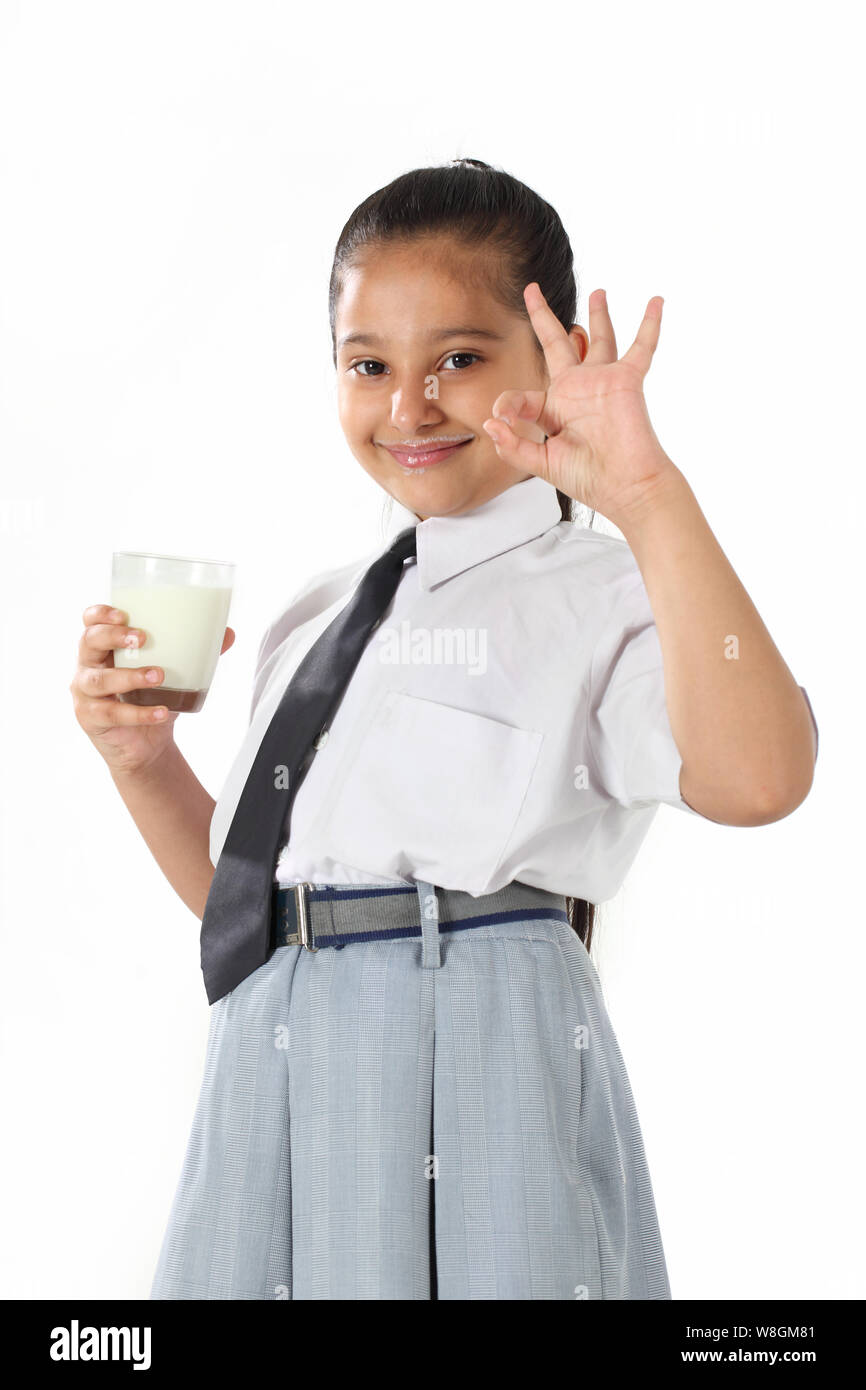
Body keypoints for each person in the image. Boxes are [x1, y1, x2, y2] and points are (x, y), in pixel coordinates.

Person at [70, 158, 818, 1300]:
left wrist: (646, 493)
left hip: (475, 1058)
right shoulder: (318, 612)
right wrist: (142, 760)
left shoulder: (602, 591)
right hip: (269, 1070)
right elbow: (253, 904)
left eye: (458, 360)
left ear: (554, 357)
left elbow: (759, 776)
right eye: (369, 364)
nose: (409, 406)